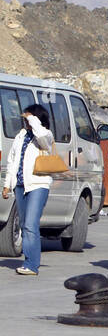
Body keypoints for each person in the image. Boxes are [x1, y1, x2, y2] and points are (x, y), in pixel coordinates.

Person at [2, 104, 56, 276]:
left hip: (38, 184)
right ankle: (30, 260)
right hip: (20, 185)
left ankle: (31, 264)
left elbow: (43, 139)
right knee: (25, 225)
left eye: (28, 118)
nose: (25, 121)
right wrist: (7, 184)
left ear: (37, 118)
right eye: (25, 118)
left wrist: (32, 119)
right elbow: (12, 161)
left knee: (31, 224)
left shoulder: (45, 134)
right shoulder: (21, 135)